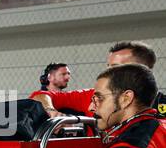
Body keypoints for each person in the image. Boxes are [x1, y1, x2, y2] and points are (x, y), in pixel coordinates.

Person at [32, 41, 166, 116]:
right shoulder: (92, 96)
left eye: (116, 67)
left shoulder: (161, 107)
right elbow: (40, 95)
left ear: (142, 70)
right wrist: (51, 111)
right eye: (108, 67)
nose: (108, 72)